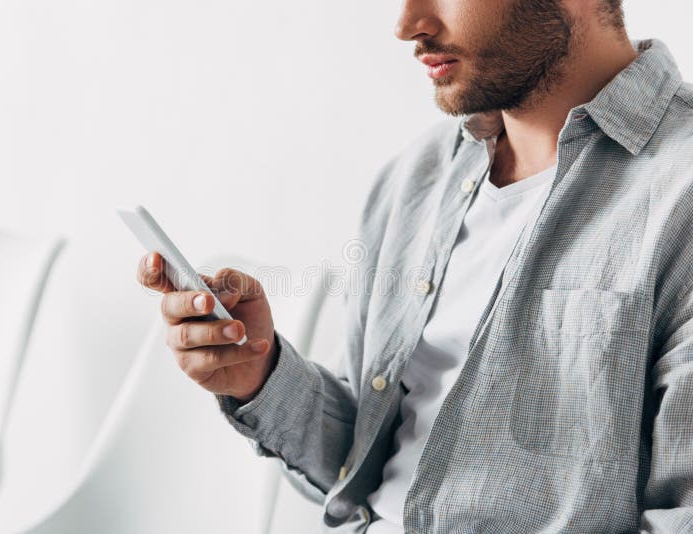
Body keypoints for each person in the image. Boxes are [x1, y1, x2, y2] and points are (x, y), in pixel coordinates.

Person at [136, 0, 693, 532]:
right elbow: (361, 464)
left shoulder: (678, 194)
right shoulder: (417, 178)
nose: (407, 25)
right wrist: (260, 375)